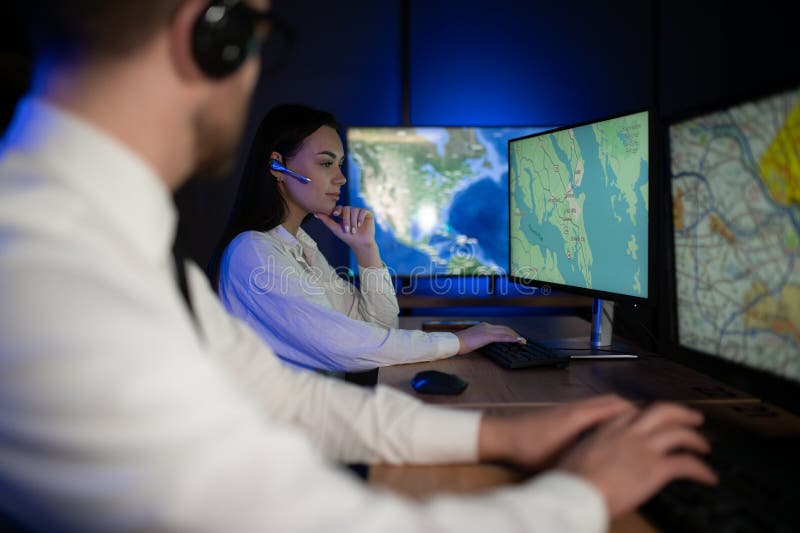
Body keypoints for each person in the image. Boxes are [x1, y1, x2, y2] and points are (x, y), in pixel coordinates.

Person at [0, 0, 716, 531]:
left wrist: (501, 434)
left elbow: (289, 398)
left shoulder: (116, 253)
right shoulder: (54, 284)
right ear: (213, 35)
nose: (339, 177)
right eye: (261, 35)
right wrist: (583, 495)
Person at [212, 103, 524, 373]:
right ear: (278, 166)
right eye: (326, 163)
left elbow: (379, 328)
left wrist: (366, 250)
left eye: (340, 164)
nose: (341, 178)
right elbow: (346, 348)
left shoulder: (301, 247)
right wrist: (458, 342)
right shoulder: (254, 252)